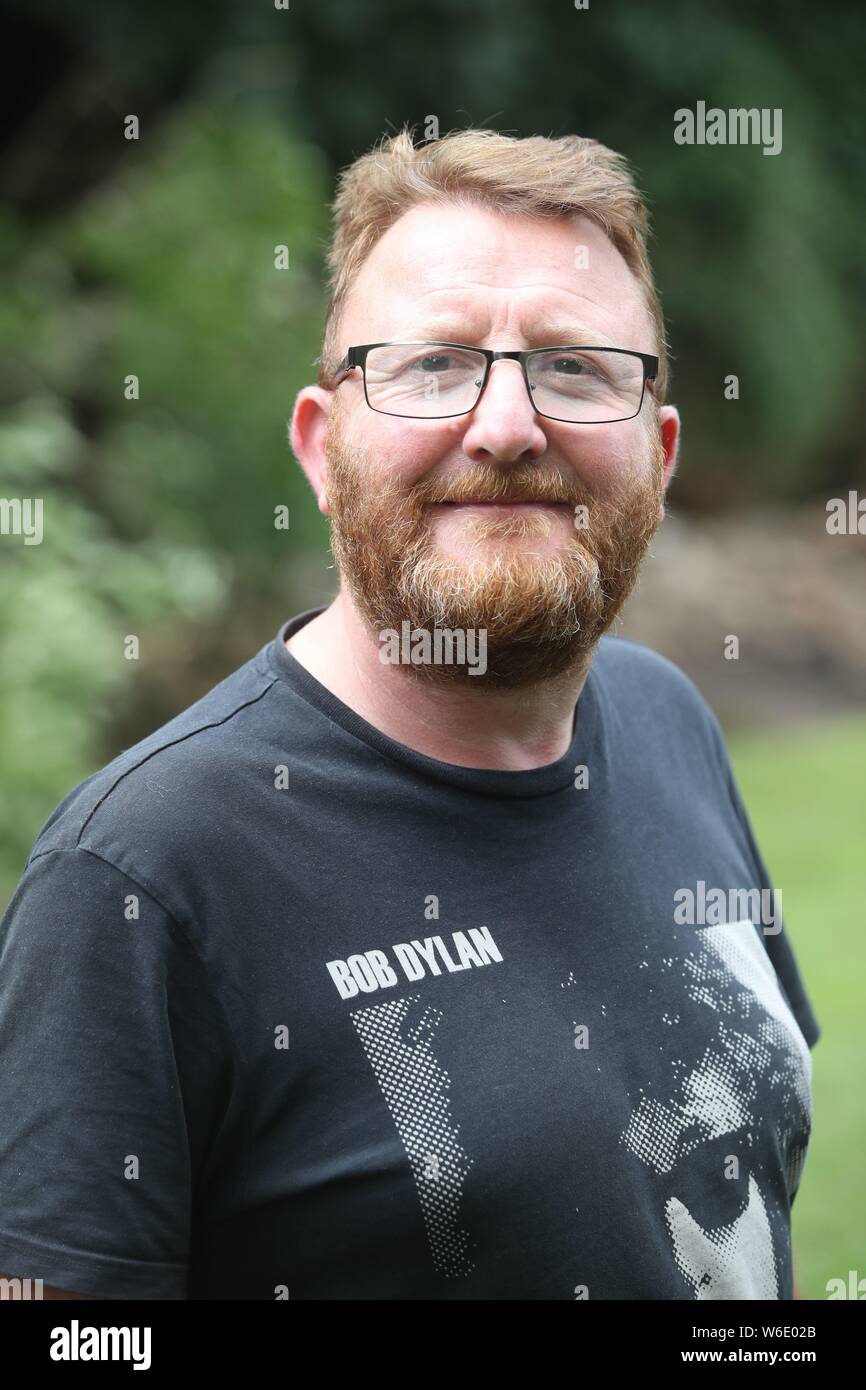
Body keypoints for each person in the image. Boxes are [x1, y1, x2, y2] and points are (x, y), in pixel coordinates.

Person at [0, 127, 819, 1301]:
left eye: (576, 366)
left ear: (659, 450)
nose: (504, 425)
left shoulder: (667, 723)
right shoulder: (140, 876)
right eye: (431, 365)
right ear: (321, 449)